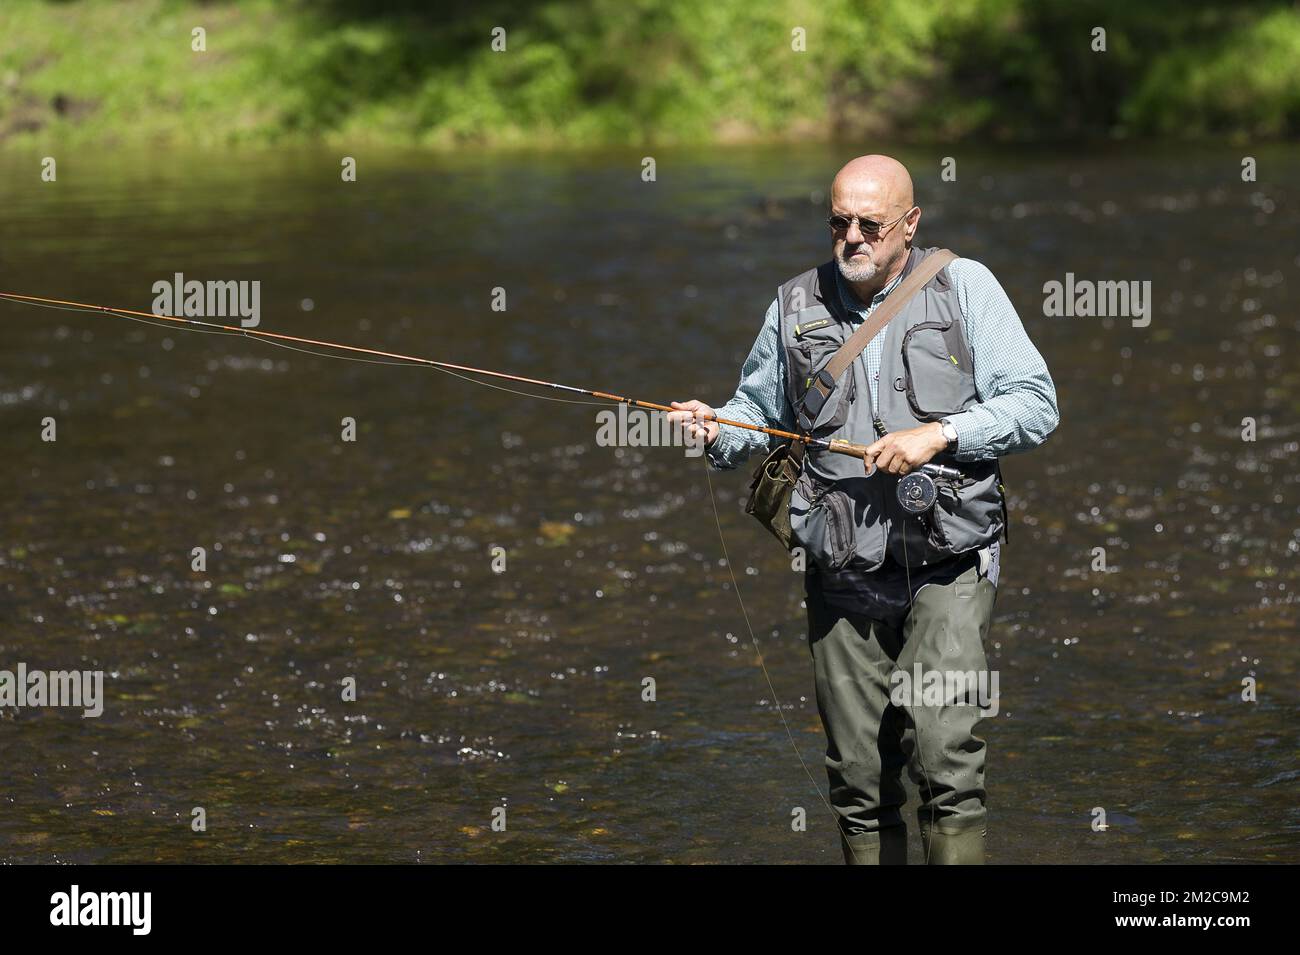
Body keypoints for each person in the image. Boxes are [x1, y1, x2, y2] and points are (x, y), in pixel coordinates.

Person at [668, 155, 1059, 864]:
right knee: (856, 776)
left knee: (943, 753)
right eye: (838, 222)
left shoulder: (967, 287)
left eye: (870, 225)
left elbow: (1036, 404)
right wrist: (715, 429)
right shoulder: (791, 306)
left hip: (949, 562)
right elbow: (754, 413)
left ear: (910, 225)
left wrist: (940, 433)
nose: (852, 237)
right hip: (840, 568)